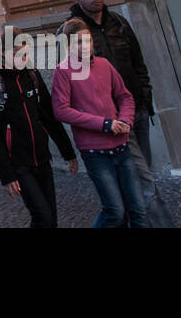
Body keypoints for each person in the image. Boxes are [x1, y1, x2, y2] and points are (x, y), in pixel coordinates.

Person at [66, 0, 169, 226]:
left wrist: (144, 95)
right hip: (109, 121)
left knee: (137, 178)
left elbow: (138, 63)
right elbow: (73, 81)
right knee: (144, 181)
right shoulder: (74, 32)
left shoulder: (119, 23)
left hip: (136, 109)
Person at [52, 18, 146, 228]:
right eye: (78, 42)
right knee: (115, 211)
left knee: (138, 209)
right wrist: (104, 124)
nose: (84, 46)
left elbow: (125, 97)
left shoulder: (104, 64)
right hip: (95, 153)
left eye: (87, 40)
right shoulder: (63, 71)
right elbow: (61, 110)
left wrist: (125, 120)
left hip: (122, 147)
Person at [0, 30, 78, 227]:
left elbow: (48, 116)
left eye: (26, 53)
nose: (24, 58)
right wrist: (7, 176)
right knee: (43, 216)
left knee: (51, 217)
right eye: (19, 54)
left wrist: (68, 153)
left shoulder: (32, 75)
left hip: (42, 158)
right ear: (5, 53)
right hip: (18, 163)